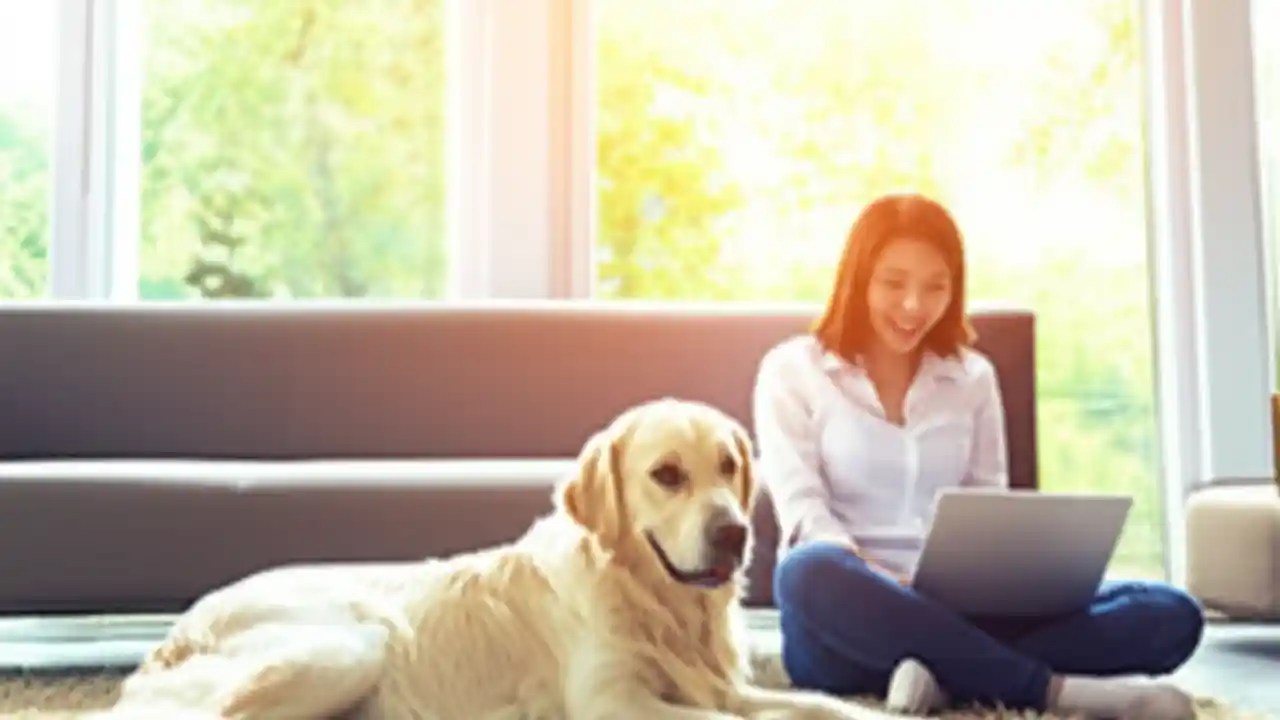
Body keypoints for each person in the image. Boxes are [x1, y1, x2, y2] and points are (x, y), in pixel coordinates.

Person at [752, 193, 1203, 719]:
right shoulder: (792, 371)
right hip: (851, 614)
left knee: (1171, 612)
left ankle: (944, 677)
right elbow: (804, 516)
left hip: (967, 606)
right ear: (858, 279)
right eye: (893, 284)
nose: (914, 306)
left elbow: (988, 509)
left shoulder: (973, 378)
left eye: (935, 287)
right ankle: (1054, 690)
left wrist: (999, 582)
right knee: (805, 572)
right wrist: (889, 582)